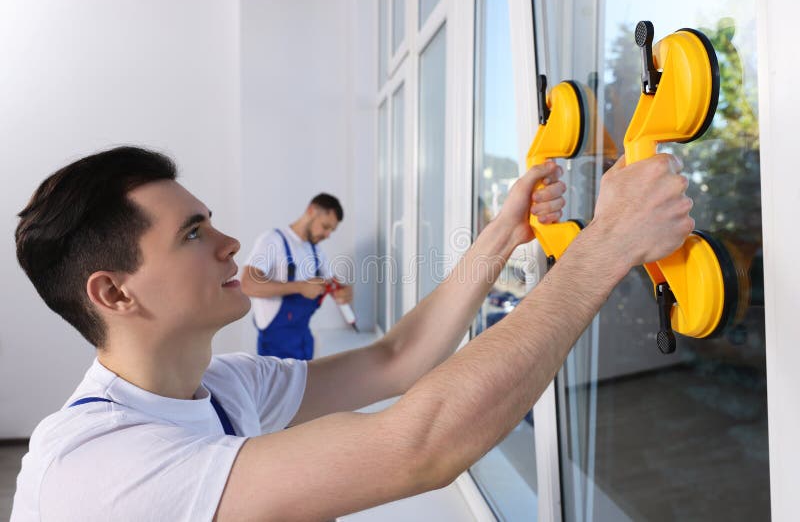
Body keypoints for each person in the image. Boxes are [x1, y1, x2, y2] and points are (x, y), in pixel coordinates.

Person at [11, 145, 693, 521]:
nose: (230, 243)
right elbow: (419, 446)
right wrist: (605, 248)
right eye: (193, 234)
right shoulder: (97, 468)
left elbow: (397, 359)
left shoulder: (225, 387)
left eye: (210, 221)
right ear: (113, 292)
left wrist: (500, 236)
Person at [241, 193, 353, 359]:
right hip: (275, 349)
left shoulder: (316, 251)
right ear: (311, 211)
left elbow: (334, 282)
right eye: (325, 226)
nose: (328, 235)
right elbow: (247, 284)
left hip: (304, 342)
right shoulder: (272, 240)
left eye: (332, 230)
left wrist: (344, 291)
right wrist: (300, 287)